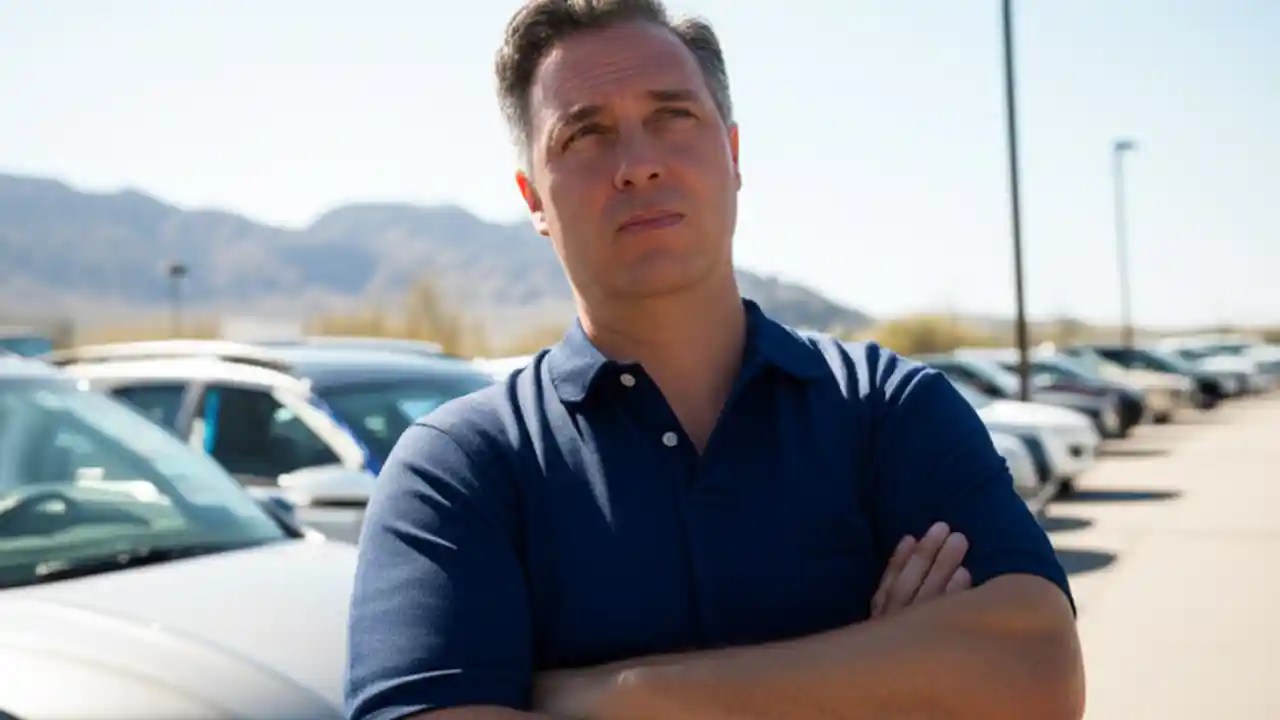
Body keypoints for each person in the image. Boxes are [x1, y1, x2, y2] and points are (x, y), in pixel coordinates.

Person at [345, 1, 1084, 718]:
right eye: (585, 134)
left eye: (673, 117)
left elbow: (1038, 677)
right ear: (533, 197)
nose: (637, 164)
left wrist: (627, 696)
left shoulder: (890, 410)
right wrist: (887, 672)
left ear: (731, 155)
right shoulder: (458, 472)